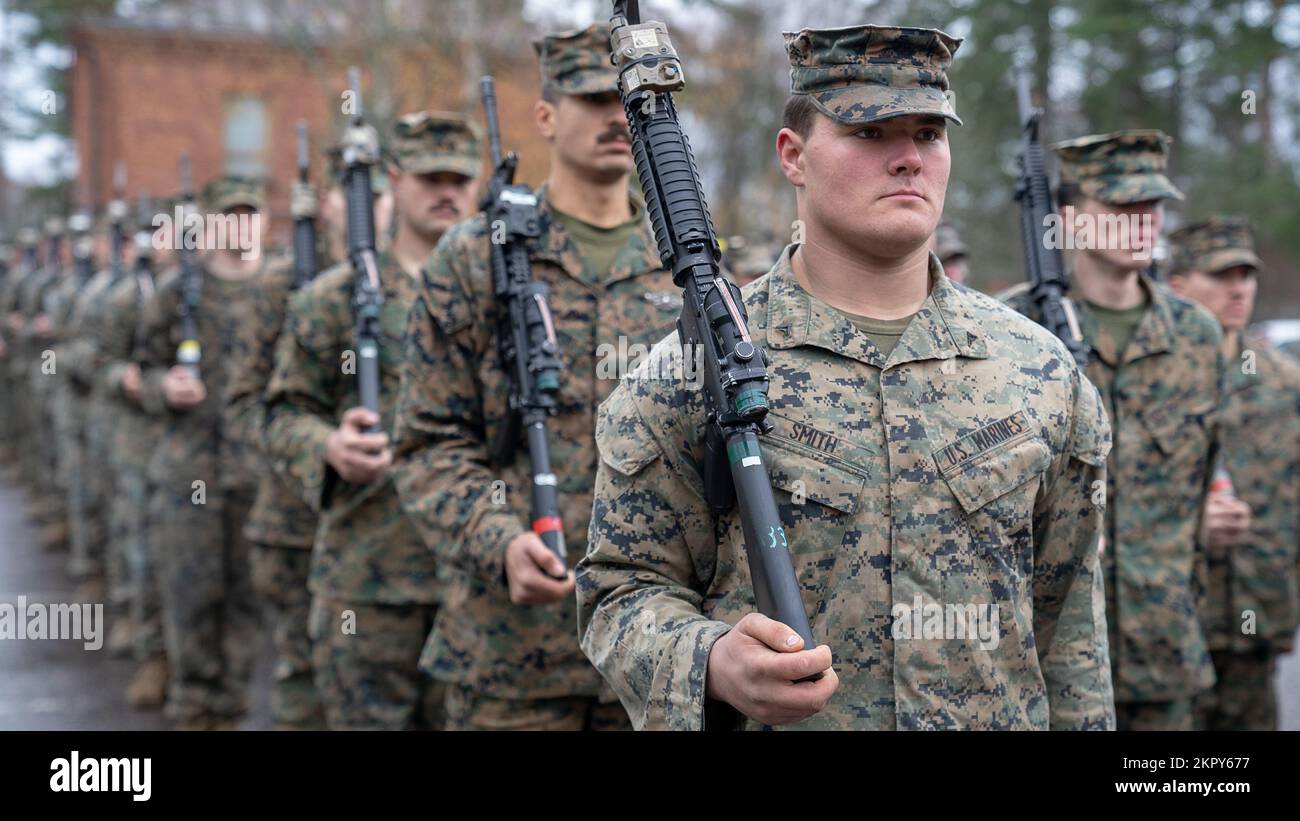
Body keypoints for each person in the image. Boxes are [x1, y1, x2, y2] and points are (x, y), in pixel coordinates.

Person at [577, 24, 1114, 730]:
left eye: (928, 132)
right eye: (871, 134)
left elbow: (1070, 627)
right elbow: (620, 591)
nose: (909, 159)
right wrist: (712, 661)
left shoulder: (1041, 371)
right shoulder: (693, 372)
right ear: (793, 156)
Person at [391, 23, 681, 731]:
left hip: (652, 655)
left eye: (628, 98)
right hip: (509, 657)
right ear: (546, 116)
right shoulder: (476, 258)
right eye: (592, 98)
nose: (618, 116)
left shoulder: (687, 261)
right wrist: (497, 538)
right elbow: (428, 444)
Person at [264, 110, 481, 730]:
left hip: (477, 580)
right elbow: (281, 413)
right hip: (366, 577)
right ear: (394, 179)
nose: (447, 193)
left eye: (460, 180)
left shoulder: (503, 297)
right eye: (430, 177)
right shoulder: (332, 299)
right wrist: (327, 446)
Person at [1002, 130, 1224, 731]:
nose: (1143, 221)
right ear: (1070, 219)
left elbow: (1206, 480)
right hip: (1043, 649)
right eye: (1122, 208)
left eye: (1152, 207)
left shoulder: (1197, 335)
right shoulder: (1009, 331)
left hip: (1163, 642)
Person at [134, 176, 269, 729]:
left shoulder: (281, 290)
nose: (240, 225)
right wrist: (161, 387)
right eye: (229, 214)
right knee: (189, 592)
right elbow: (136, 368)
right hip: (188, 467)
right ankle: (192, 701)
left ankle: (231, 700)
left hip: (256, 473)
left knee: (248, 597)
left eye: (249, 213)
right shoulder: (175, 293)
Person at [1167, 215, 1298, 731]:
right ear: (1178, 286)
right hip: (1169, 625)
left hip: (1255, 618)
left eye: (1245, 275)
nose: (1238, 288)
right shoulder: (1153, 380)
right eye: (1220, 276)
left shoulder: (1282, 383)